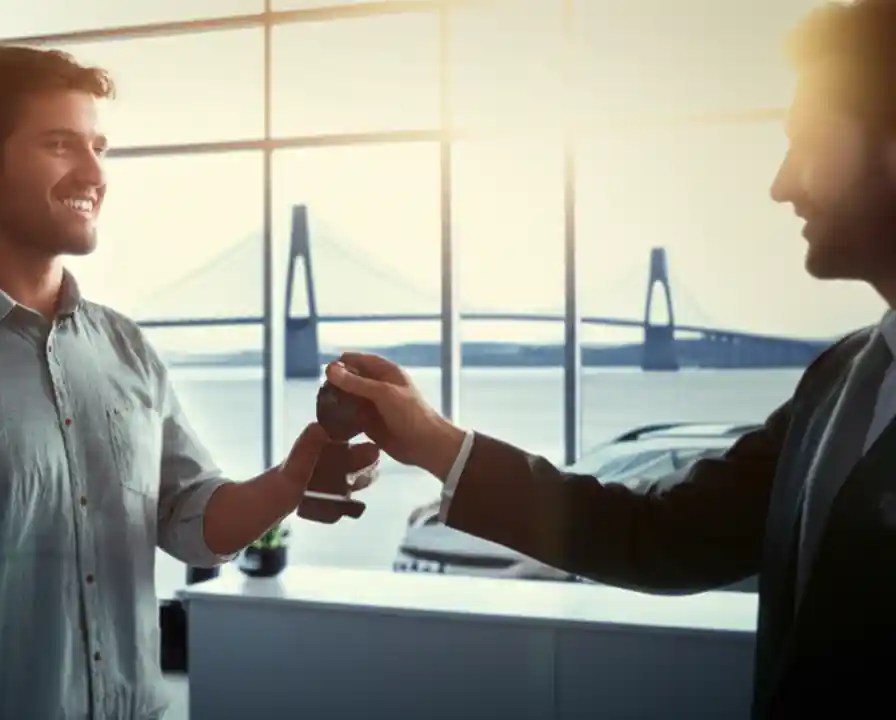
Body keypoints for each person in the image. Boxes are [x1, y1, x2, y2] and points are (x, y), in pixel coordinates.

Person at [324, 2, 896, 717]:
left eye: (807, 144)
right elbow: (660, 534)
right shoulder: (840, 381)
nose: (781, 184)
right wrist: (434, 443)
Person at [0, 44, 378, 720]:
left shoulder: (127, 349)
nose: (95, 173)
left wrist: (290, 482)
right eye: (60, 144)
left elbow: (188, 520)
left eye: (98, 147)